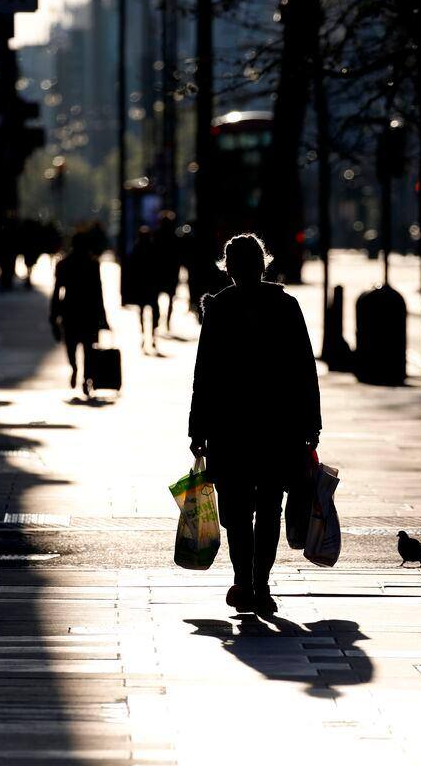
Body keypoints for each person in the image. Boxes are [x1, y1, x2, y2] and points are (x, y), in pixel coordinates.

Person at [188, 234, 322, 614]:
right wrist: (311, 423)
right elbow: (303, 370)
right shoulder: (285, 305)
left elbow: (206, 374)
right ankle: (259, 585)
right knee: (268, 508)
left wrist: (198, 428)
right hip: (279, 427)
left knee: (236, 510)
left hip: (230, 428)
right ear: (263, 264)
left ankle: (243, 582)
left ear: (227, 268)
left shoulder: (220, 308)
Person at [50, 228, 109, 396]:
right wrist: (102, 316)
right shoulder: (93, 264)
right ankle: (86, 377)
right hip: (89, 311)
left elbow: (56, 292)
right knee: (89, 348)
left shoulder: (64, 264)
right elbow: (99, 292)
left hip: (70, 311)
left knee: (71, 346)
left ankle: (74, 367)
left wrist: (53, 315)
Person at [124, 225, 162, 353]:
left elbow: (131, 269)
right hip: (151, 285)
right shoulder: (153, 248)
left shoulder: (136, 248)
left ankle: (144, 334)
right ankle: (151, 335)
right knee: (153, 311)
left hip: (142, 285)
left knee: (142, 311)